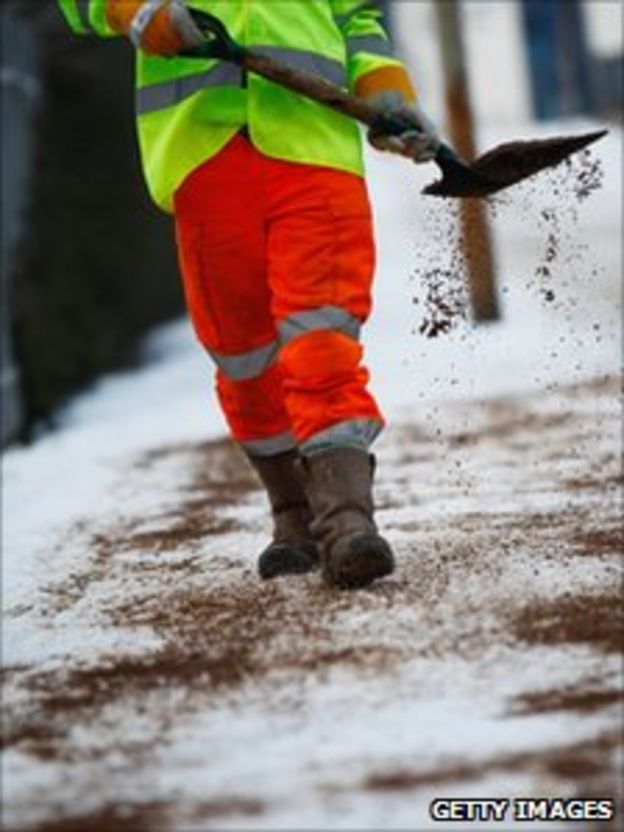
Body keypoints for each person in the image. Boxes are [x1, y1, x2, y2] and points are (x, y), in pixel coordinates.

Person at [57, 0, 439, 588]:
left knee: (322, 339)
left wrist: (384, 85)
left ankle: (348, 523)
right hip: (203, 158)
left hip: (315, 151)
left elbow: (356, 17)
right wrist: (135, 12)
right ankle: (294, 515)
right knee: (243, 356)